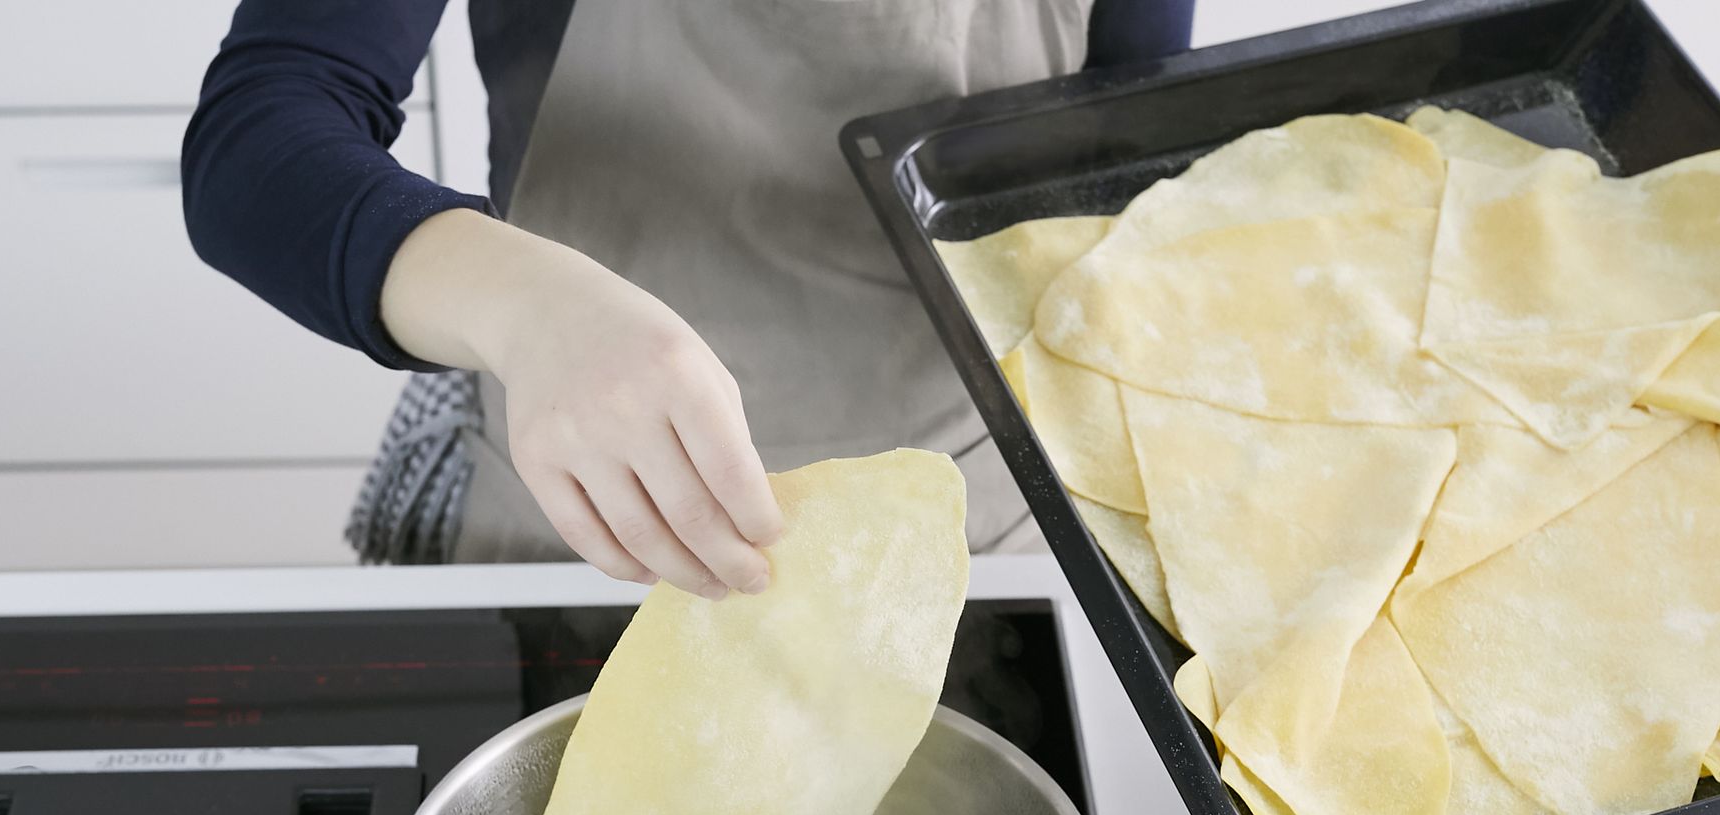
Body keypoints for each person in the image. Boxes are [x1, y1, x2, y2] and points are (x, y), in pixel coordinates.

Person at [184, 1, 1195, 593]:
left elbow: (1125, 143)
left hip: (977, 527)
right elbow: (258, 141)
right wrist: (529, 311)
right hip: (586, 523)